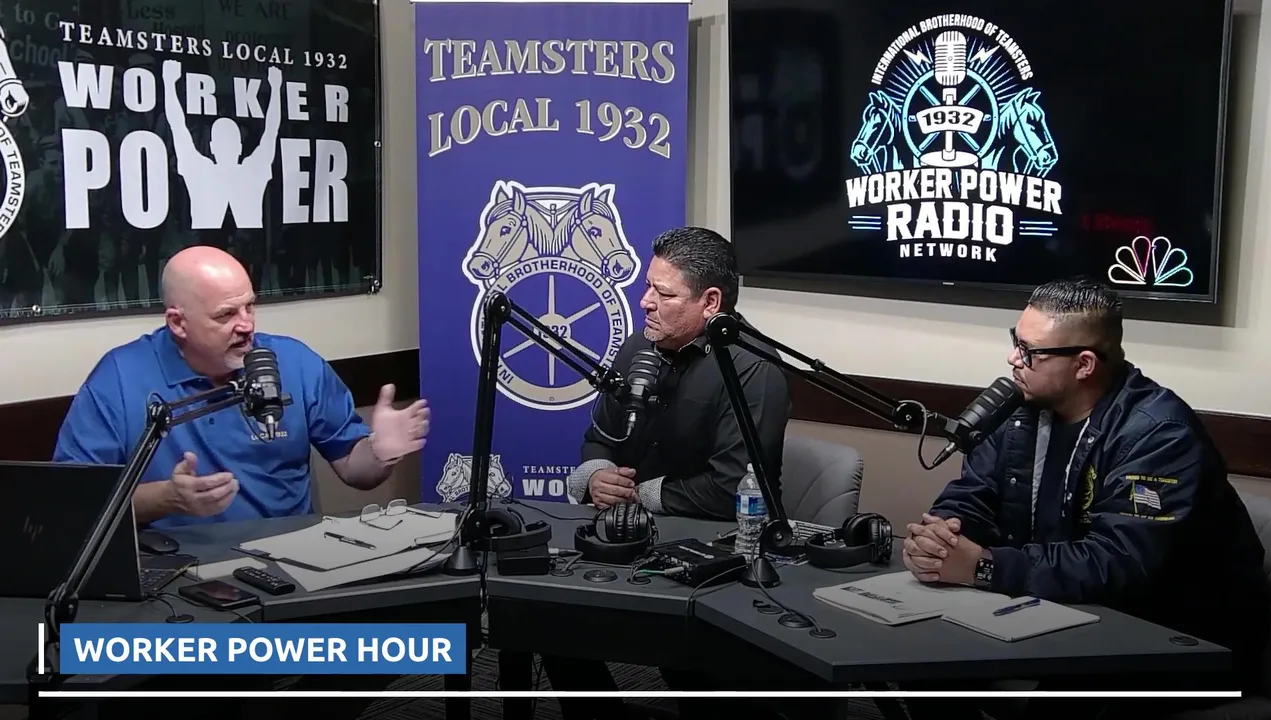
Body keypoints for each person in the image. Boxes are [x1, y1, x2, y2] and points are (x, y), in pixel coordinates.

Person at [52, 245, 430, 719]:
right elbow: (72, 508)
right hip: (182, 590)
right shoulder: (121, 379)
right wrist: (165, 498)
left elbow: (355, 470)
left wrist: (380, 451)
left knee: (408, 638)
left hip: (293, 576)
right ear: (178, 323)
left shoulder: (292, 362)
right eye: (226, 314)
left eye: (250, 306)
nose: (246, 324)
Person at [900, 277, 1270, 720]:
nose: (1013, 359)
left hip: (1175, 635)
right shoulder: (1019, 409)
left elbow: (1120, 562)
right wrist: (941, 537)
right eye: (1015, 342)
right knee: (920, 663)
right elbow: (974, 494)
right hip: (1063, 612)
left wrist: (985, 566)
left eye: (1030, 351)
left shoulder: (1159, 434)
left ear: (1084, 364)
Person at [501, 227, 793, 720]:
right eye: (647, 287)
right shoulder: (641, 347)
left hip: (715, 553)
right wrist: (596, 476)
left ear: (710, 302)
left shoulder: (753, 368)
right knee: (543, 613)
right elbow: (600, 438)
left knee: (694, 676)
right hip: (635, 540)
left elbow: (731, 489)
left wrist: (637, 494)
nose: (645, 302)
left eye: (664, 293)